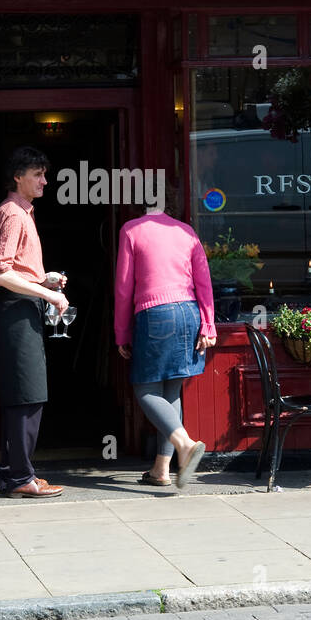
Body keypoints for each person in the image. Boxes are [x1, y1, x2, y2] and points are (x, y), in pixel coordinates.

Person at [113, 189, 214, 489]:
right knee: (171, 392)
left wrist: (122, 332)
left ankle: (184, 444)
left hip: (155, 313)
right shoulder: (186, 231)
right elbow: (204, 281)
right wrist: (208, 324)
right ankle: (161, 469)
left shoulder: (131, 230)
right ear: (171, 203)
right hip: (189, 312)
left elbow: (123, 288)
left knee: (145, 390)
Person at [0, 146, 69, 498]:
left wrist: (43, 279)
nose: (44, 180)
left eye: (44, 173)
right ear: (17, 176)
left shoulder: (21, 212)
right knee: (27, 395)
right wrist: (48, 295)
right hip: (17, 310)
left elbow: (16, 269)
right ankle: (21, 476)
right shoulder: (14, 214)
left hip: (21, 307)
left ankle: (14, 474)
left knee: (23, 395)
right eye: (37, 174)